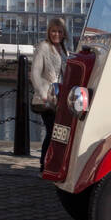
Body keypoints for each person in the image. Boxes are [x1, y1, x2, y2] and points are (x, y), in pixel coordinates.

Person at [30, 17, 69, 169]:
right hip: (46, 99)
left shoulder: (64, 49)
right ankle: (44, 163)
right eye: (53, 31)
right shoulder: (44, 47)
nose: (56, 34)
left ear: (64, 33)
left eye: (59, 31)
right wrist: (43, 94)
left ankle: (52, 162)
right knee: (53, 130)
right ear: (49, 32)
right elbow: (35, 73)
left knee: (58, 131)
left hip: (59, 98)